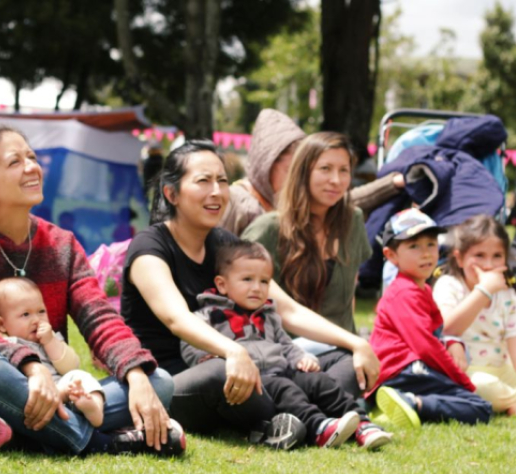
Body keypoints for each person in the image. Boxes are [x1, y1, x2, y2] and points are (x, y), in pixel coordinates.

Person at [0, 125, 184, 456]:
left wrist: (135, 373)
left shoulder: (62, 244)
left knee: (158, 381)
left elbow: (99, 317)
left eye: (32, 158)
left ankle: (25, 432)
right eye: (15, 161)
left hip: (53, 389)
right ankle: (102, 443)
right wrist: (32, 367)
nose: (31, 167)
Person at [120, 140, 380, 443]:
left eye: (222, 181)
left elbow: (287, 309)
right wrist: (233, 351)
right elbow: (176, 318)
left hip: (251, 371)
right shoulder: (149, 248)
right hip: (178, 379)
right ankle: (305, 417)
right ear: (171, 193)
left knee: (343, 358)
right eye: (203, 181)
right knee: (219, 371)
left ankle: (298, 419)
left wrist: (356, 343)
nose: (216, 191)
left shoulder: (225, 244)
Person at [180, 241, 391, 450]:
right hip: (256, 382)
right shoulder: (209, 315)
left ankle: (362, 424)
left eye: (264, 281)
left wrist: (302, 358)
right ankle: (318, 427)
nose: (257, 288)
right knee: (285, 389)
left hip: (283, 370)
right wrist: (211, 359)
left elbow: (285, 344)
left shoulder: (268, 315)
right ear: (222, 284)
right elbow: (191, 341)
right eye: (247, 279)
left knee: (318, 381)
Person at [242, 132, 371, 398]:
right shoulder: (268, 229)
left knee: (347, 373)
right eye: (325, 169)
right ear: (303, 172)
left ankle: (322, 410)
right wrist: (357, 343)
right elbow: (286, 311)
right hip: (285, 355)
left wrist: (355, 346)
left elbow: (348, 298)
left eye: (344, 170)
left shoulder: (353, 220)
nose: (336, 180)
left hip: (340, 353)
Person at [368, 208, 492, 427]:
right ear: (391, 255)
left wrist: (452, 344)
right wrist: (460, 379)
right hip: (402, 370)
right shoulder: (404, 292)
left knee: (471, 401)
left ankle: (398, 403)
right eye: (414, 246)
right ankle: (412, 402)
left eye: (431, 244)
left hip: (405, 369)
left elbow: (436, 334)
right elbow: (426, 346)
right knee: (480, 407)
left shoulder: (420, 289)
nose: (425, 253)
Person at [221, 108, 404, 236]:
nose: (298, 178)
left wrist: (392, 183)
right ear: (267, 165)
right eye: (291, 170)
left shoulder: (295, 199)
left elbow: (344, 201)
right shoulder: (238, 202)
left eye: (303, 170)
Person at [0, 277, 105, 427]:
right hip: (33, 396)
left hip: (61, 388)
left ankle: (93, 407)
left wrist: (50, 342)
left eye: (41, 311)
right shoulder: (6, 344)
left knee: (80, 377)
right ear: (1, 324)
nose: (36, 320)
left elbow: (71, 366)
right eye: (25, 314)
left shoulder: (50, 338)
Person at [433, 214, 516, 415]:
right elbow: (447, 328)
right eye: (479, 255)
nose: (488, 264)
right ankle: (509, 400)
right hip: (468, 371)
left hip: (501, 368)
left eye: (497, 256)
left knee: (499, 382)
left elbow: (513, 341)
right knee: (483, 386)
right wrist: (484, 290)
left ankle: (508, 398)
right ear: (460, 258)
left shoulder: (506, 293)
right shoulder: (448, 285)